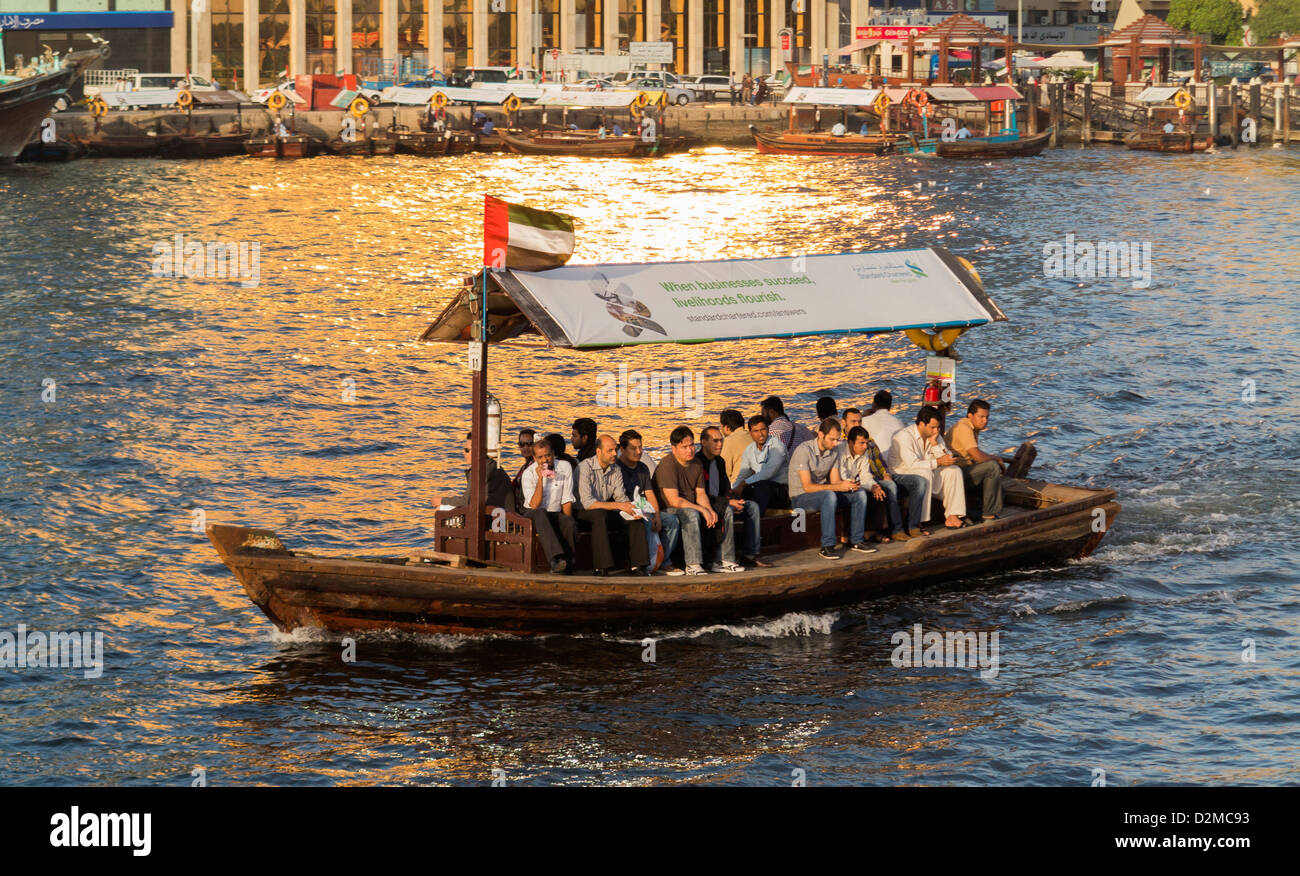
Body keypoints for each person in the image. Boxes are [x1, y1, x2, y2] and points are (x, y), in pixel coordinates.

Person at [654, 426, 738, 576]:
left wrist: (709, 510)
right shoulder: (668, 465)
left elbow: (700, 493)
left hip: (689, 505)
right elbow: (674, 501)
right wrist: (701, 509)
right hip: (668, 509)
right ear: (674, 449)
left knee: (726, 510)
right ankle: (693, 564)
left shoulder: (697, 463)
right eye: (684, 447)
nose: (690, 450)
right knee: (692, 514)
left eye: (691, 445)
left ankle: (724, 560)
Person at [788, 418, 870, 560]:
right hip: (801, 497)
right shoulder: (804, 450)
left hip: (824, 494)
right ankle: (827, 546)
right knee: (829, 495)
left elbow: (835, 480)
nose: (835, 443)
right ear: (820, 435)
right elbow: (807, 487)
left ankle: (856, 540)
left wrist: (847, 485)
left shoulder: (834, 451)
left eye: (837, 440)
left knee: (859, 494)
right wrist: (837, 486)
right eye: (832, 439)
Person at [577, 435, 651, 575]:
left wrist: (632, 509)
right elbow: (587, 503)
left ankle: (638, 566)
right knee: (599, 515)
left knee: (635, 517)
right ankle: (601, 567)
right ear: (598, 452)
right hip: (583, 511)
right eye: (609, 450)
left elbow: (620, 497)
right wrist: (619, 505)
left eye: (615, 450)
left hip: (605, 508)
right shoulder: (585, 468)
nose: (614, 454)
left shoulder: (615, 469)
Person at [889, 405, 967, 530]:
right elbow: (912, 464)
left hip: (927, 473)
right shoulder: (904, 436)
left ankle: (952, 516)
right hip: (903, 475)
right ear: (921, 424)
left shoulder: (935, 435)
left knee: (954, 471)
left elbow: (946, 459)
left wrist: (935, 444)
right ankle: (919, 521)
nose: (936, 431)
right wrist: (937, 461)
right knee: (924, 473)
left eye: (938, 427)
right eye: (932, 427)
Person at [842, 410, 910, 542]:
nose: (857, 424)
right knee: (876, 489)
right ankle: (894, 529)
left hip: (872, 479)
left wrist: (884, 475)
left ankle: (901, 528)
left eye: (860, 421)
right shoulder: (840, 444)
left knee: (908, 482)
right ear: (843, 423)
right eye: (853, 421)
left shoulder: (868, 441)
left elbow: (879, 464)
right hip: (849, 482)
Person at [617, 429, 679, 575]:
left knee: (672, 521)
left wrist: (657, 515)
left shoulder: (642, 468)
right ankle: (644, 564)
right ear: (622, 449)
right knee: (644, 522)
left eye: (640, 447)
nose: (638, 452)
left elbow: (650, 494)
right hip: (624, 510)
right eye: (633, 448)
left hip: (644, 508)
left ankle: (664, 561)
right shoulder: (617, 468)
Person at [695, 426, 752, 572]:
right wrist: (728, 502)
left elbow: (726, 487)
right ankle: (724, 559)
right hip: (707, 503)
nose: (719, 444)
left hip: (721, 500)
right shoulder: (697, 463)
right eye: (715, 441)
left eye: (721, 440)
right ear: (703, 442)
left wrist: (734, 499)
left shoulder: (720, 461)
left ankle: (751, 554)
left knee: (752, 507)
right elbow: (701, 495)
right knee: (727, 510)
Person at [519, 438, 578, 573]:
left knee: (568, 522)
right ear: (534, 458)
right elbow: (534, 505)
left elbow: (566, 499)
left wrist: (568, 521)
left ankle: (568, 562)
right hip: (533, 512)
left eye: (548, 455)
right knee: (540, 513)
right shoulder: (528, 474)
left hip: (554, 512)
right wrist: (540, 479)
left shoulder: (564, 467)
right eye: (540, 457)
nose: (545, 460)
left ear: (553, 454)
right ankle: (555, 559)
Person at [946, 399, 1005, 523]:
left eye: (987, 417)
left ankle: (974, 513)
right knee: (992, 467)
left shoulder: (973, 428)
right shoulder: (964, 428)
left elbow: (974, 456)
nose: (985, 421)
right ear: (970, 415)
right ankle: (988, 516)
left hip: (965, 469)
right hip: (956, 473)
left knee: (1000, 489)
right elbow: (977, 456)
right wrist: (996, 459)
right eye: (981, 417)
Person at [440, 433, 518, 514]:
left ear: (477, 450)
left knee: (441, 509)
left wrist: (441, 500)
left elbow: (466, 500)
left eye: (467, 450)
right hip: (499, 514)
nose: (464, 453)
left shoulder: (481, 469)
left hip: (500, 519)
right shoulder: (489, 465)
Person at [729, 414, 789, 518]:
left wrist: (744, 483)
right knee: (737, 492)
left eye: (763, 430)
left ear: (768, 429)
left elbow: (768, 473)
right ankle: (738, 517)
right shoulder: (749, 449)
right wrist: (735, 489)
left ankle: (755, 520)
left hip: (782, 491)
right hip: (761, 489)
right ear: (750, 433)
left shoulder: (777, 446)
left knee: (761, 485)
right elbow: (743, 474)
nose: (760, 434)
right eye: (756, 431)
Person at [863, 391, 905, 460]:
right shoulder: (900, 423)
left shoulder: (865, 420)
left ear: (874, 404)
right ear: (890, 406)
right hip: (896, 464)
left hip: (877, 465)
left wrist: (862, 416)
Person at [719, 409, 752, 482]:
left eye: (721, 427)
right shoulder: (752, 437)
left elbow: (724, 470)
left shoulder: (729, 441)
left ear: (727, 428)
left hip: (737, 486)